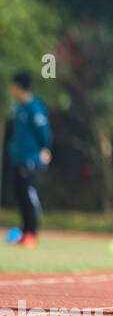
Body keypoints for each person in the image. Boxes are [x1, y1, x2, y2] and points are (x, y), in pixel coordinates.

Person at [6, 72, 52, 249]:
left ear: (19, 87)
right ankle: (25, 233)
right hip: (18, 159)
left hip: (31, 160)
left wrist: (45, 149)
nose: (11, 90)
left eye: (13, 86)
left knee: (28, 195)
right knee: (20, 195)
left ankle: (32, 233)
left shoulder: (34, 108)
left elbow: (44, 134)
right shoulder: (19, 109)